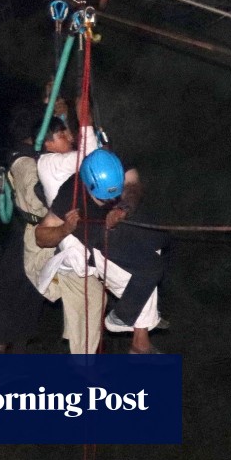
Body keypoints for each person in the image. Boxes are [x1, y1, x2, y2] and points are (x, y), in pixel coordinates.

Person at [0, 101, 104, 354]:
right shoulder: (25, 162)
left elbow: (62, 144)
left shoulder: (38, 155)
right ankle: (5, 345)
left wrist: (59, 110)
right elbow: (38, 195)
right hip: (35, 230)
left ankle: (27, 340)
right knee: (21, 282)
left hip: (47, 229)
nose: (67, 137)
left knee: (38, 287)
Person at [36, 148, 168, 354]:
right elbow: (41, 236)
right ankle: (123, 320)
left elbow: (133, 186)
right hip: (101, 236)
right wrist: (64, 229)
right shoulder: (70, 195)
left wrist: (122, 207)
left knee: (160, 238)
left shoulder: (115, 163)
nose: (110, 201)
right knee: (151, 267)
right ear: (88, 186)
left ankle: (136, 332)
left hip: (124, 222)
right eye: (105, 198)